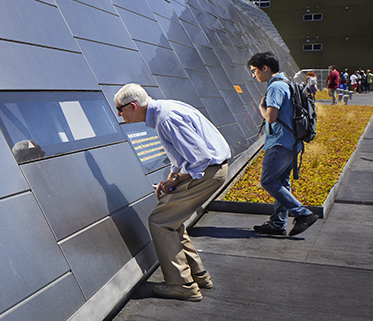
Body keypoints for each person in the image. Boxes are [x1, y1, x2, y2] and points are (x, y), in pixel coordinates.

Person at [114, 84, 231, 301]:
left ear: (133, 106)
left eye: (120, 110)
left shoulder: (166, 119)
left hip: (207, 172)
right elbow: (181, 155)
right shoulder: (163, 112)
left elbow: (200, 159)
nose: (119, 115)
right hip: (210, 171)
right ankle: (198, 276)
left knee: (160, 221)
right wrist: (171, 179)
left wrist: (176, 180)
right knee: (171, 220)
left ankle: (182, 285)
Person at [248, 52, 319, 237]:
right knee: (282, 183)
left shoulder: (275, 87)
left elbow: (271, 117)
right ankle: (278, 223)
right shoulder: (287, 83)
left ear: (265, 68)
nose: (254, 75)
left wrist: (261, 107)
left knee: (268, 181)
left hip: (280, 143)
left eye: (254, 71)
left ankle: (303, 214)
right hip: (293, 143)